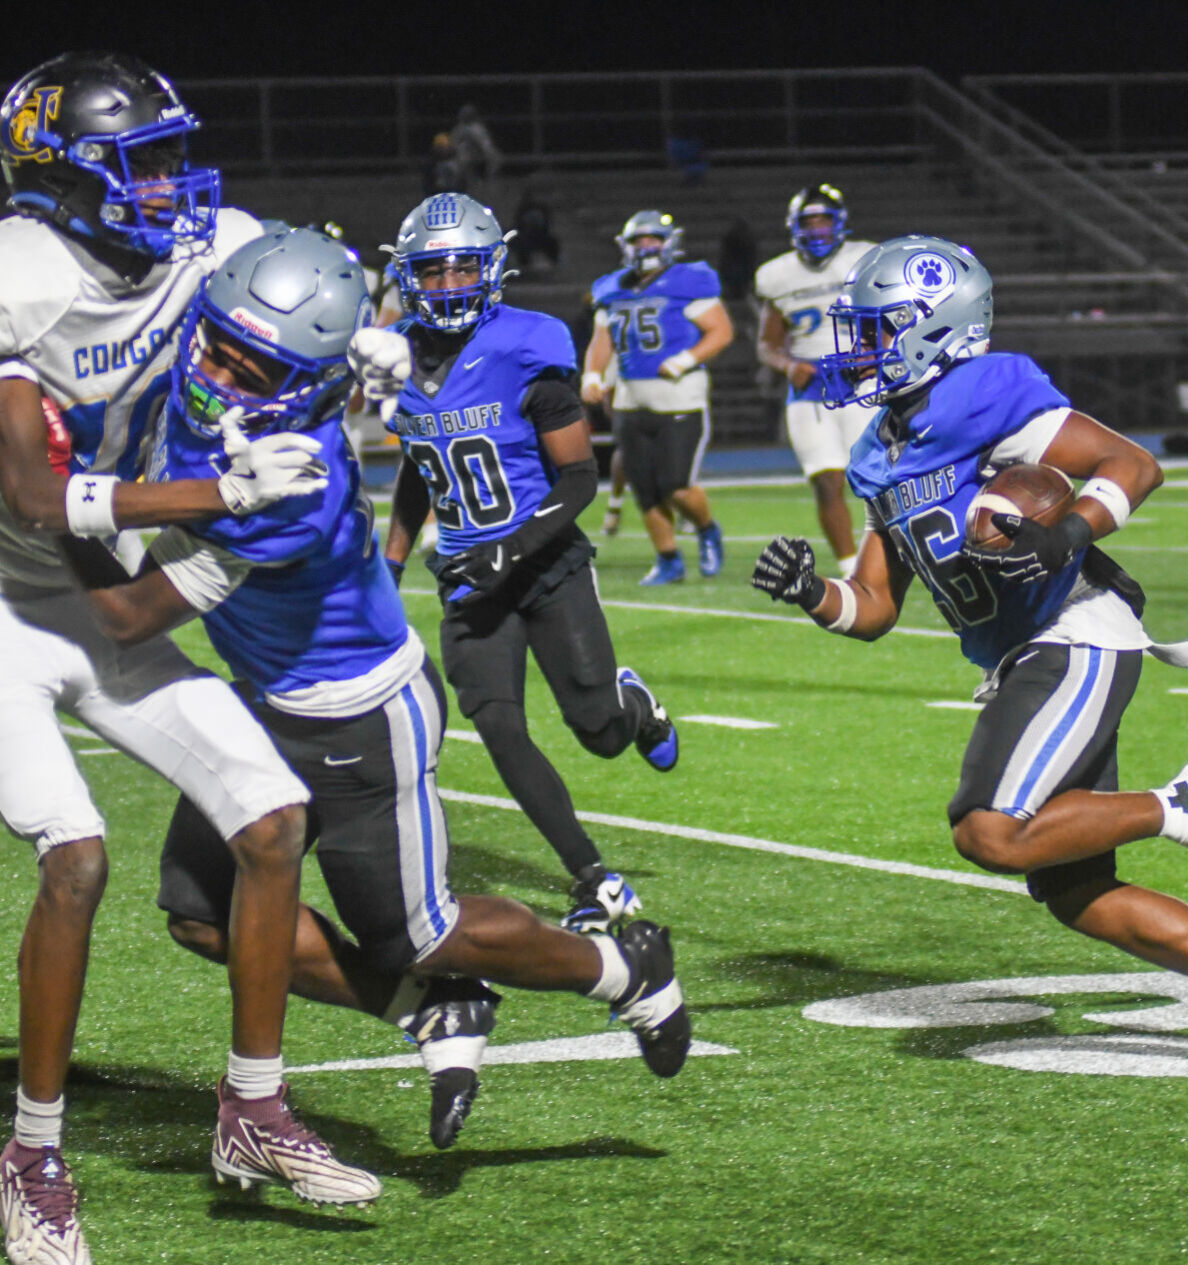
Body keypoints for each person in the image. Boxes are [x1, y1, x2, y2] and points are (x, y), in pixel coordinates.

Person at [61, 226, 692, 1156]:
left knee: (423, 933)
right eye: (217, 344)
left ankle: (619, 966)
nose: (220, 375)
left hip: (351, 713)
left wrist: (55, 503)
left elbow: (126, 616)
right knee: (200, 916)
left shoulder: (291, 479)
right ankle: (427, 1007)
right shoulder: (230, 383)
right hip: (264, 698)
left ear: (313, 383)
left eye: (253, 366)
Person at [752, 235, 1188, 1079]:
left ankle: (1182, 805)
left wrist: (1066, 531)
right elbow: (876, 607)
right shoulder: (875, 451)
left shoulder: (983, 389)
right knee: (1074, 891)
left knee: (988, 830)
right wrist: (810, 590)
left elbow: (1130, 464)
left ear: (937, 328)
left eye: (879, 329)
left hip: (1073, 632)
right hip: (1023, 654)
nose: (859, 347)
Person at [0, 53, 379, 1261]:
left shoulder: (204, 245)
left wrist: (374, 349)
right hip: (5, 606)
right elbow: (33, 495)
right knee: (77, 854)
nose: (171, 184)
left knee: (272, 818)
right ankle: (32, 1155)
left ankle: (253, 1110)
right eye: (144, 162)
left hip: (101, 596)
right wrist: (218, 491)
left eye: (171, 156)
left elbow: (298, 299)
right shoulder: (20, 275)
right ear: (62, 175)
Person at [349, 192, 679, 934]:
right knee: (498, 726)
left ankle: (634, 707)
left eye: (464, 268)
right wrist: (391, 562)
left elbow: (579, 479)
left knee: (598, 731)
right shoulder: (392, 355)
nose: (448, 285)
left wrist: (511, 547)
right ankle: (595, 879)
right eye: (432, 272)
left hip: (546, 563)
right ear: (407, 277)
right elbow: (420, 467)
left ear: (493, 268)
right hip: (470, 576)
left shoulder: (527, 343)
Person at [582, 210, 732, 585]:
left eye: (653, 239)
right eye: (639, 240)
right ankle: (668, 560)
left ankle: (707, 529)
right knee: (645, 488)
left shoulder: (687, 281)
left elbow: (721, 331)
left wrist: (685, 359)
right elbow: (602, 340)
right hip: (630, 400)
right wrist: (593, 375)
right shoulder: (612, 288)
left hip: (679, 398)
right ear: (626, 246)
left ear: (669, 244)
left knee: (676, 484)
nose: (646, 247)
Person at [754, 184, 876, 574]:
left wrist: (876, 353)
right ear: (795, 226)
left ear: (840, 222)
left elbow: (899, 314)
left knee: (881, 479)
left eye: (824, 220)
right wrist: (788, 365)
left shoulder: (867, 259)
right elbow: (767, 344)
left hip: (866, 381)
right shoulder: (777, 274)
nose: (818, 229)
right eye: (809, 222)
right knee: (826, 481)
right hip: (811, 388)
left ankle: (897, 555)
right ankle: (851, 569)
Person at [450, 103, 502, 190]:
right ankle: (468, 183)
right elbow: (454, 145)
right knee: (462, 154)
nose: (466, 116)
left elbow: (486, 145)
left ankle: (490, 181)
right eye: (465, 114)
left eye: (469, 114)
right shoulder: (458, 129)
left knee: (495, 156)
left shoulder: (478, 128)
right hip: (465, 157)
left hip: (480, 155)